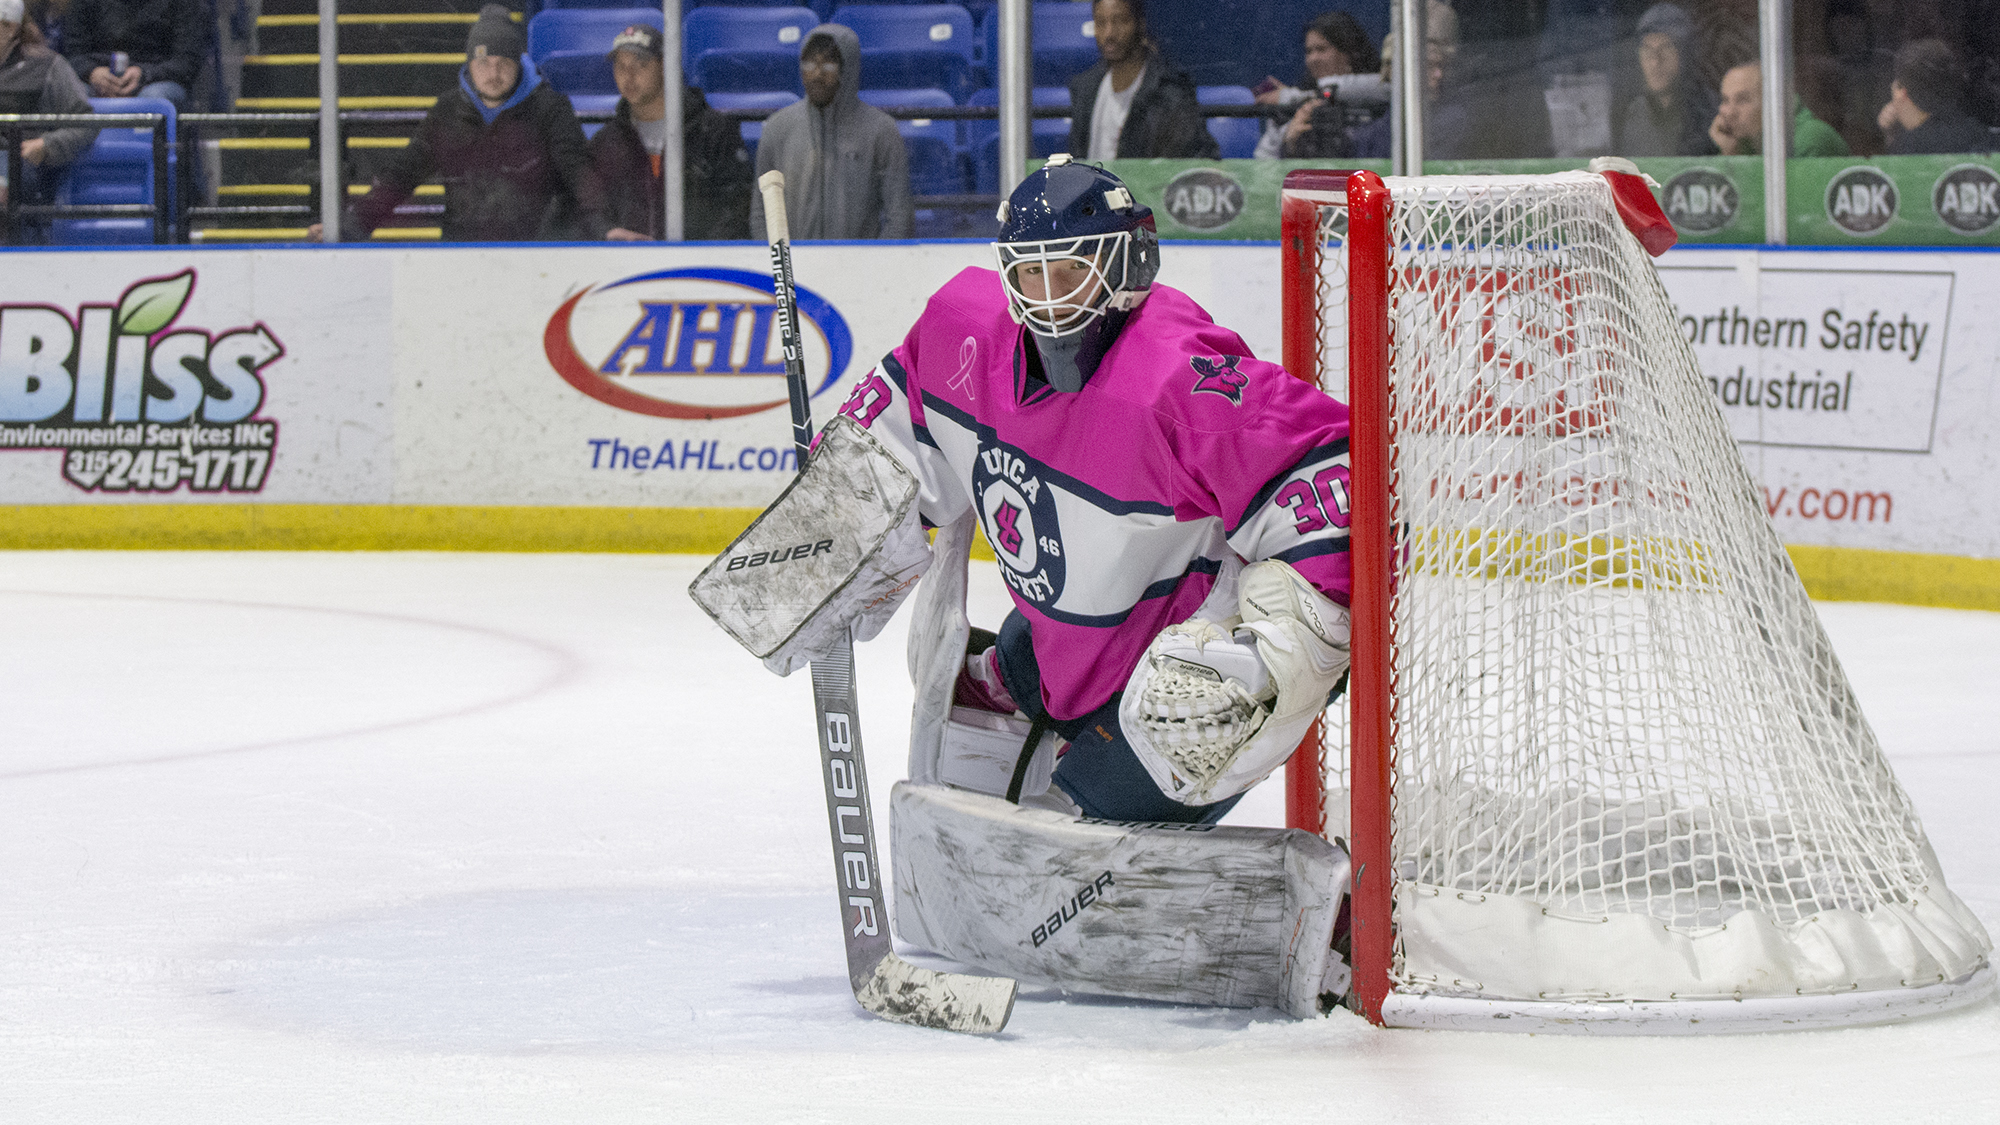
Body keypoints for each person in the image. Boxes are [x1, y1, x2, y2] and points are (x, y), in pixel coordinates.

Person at [824, 156, 1352, 825]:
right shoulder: (964, 332)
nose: (1049, 296)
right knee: (987, 677)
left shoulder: (1176, 379)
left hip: (1173, 666)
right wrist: (837, 514)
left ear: (1128, 265)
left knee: (1099, 821)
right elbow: (897, 422)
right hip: (1072, 640)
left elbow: (1332, 466)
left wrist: (1287, 647)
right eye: (1031, 273)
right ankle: (1031, 685)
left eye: (1073, 269)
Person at [320, 5, 602, 243]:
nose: (494, 73)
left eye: (504, 62)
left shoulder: (550, 108)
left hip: (534, 258)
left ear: (519, 62)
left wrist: (604, 229)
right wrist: (345, 229)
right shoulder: (447, 112)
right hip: (461, 258)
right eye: (484, 62)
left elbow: (579, 175)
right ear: (469, 64)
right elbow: (400, 176)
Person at [587, 24, 750, 241]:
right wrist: (605, 233)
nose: (629, 76)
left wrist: (697, 257)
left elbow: (738, 208)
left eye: (641, 65)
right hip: (626, 269)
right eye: (620, 66)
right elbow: (586, 209)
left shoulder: (714, 132)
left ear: (665, 66)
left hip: (697, 271)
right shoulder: (605, 142)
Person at [750, 23, 910, 241]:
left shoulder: (881, 131)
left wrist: (874, 267)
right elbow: (760, 214)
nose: (816, 75)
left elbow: (900, 215)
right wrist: (780, 269)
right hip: (794, 270)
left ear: (847, 69)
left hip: (859, 270)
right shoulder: (778, 128)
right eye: (808, 64)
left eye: (828, 67)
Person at [1066, 0, 1217, 161]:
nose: (1109, 33)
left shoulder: (1170, 93)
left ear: (1140, 24)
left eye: (1120, 21)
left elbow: (1196, 162)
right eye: (1101, 23)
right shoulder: (1085, 89)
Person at [0, 1, 98, 238]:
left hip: (23, 163)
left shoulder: (48, 66)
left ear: (10, 27)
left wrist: (47, 145)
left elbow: (85, 122)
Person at [1252, 10, 1381, 160]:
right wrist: (1289, 144)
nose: (1313, 58)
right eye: (1308, 51)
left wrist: (1296, 96)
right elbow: (1263, 162)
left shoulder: (1379, 95)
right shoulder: (1295, 108)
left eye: (1322, 49)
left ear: (1348, 53)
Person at [1616, 3, 1717, 156]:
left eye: (1666, 48)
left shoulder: (1711, 111)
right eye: (1647, 50)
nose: (1655, 61)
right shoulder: (1634, 115)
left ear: (1685, 54)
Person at [59, 0, 200, 109]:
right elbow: (70, 55)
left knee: (152, 99)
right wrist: (91, 72)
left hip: (157, 80)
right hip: (95, 79)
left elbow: (187, 61)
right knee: (71, 96)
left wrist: (145, 75)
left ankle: (149, 147)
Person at [1709, 58, 1849, 156]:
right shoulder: (1743, 141)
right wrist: (1729, 152)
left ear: (1772, 102)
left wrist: (1734, 157)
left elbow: (1788, 197)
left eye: (1743, 100)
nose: (1729, 112)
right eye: (1725, 100)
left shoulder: (1811, 138)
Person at [1877, 38, 1993, 155]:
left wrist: (1893, 140)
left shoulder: (1907, 149)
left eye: (1895, 84)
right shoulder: (1979, 132)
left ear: (1902, 93)